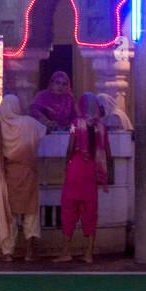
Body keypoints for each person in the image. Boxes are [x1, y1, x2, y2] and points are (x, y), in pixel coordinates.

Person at [0, 95, 48, 260]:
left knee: (9, 215)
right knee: (31, 213)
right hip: (28, 173)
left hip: (7, 175)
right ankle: (30, 251)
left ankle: (8, 253)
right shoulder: (29, 123)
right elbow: (46, 130)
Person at [55, 93, 109, 263]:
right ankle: (89, 254)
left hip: (76, 168)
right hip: (91, 171)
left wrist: (67, 162)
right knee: (90, 211)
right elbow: (107, 152)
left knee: (69, 209)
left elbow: (71, 145)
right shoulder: (102, 127)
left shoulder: (75, 124)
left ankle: (66, 252)